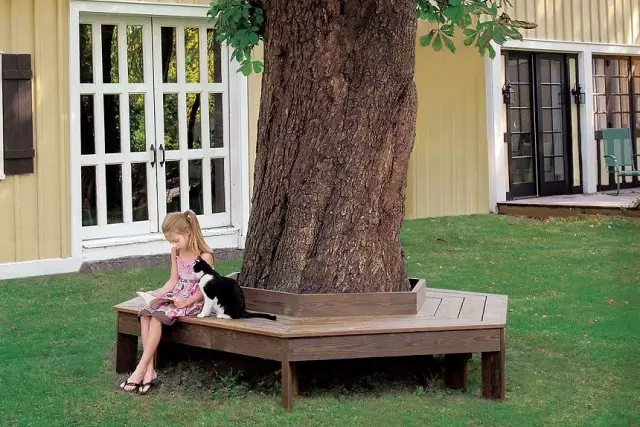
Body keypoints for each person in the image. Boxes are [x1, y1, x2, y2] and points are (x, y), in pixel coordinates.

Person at [119, 210, 214, 394]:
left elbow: (207, 288)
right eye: (171, 241)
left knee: (157, 317)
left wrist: (187, 301)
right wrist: (156, 294)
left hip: (194, 301)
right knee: (146, 313)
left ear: (188, 232)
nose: (173, 244)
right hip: (177, 297)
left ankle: (140, 370)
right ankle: (149, 371)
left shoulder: (204, 256)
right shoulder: (176, 252)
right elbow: (172, 280)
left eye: (175, 240)